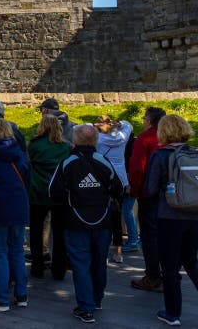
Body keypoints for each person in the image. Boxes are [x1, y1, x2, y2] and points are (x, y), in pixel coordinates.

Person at [146, 115, 198, 326]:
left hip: (170, 216)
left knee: (169, 266)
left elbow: (150, 188)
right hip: (197, 214)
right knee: (191, 260)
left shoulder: (161, 155)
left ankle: (173, 313)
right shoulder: (197, 153)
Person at [48, 123, 123, 324]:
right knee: (99, 262)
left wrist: (68, 200)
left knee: (81, 263)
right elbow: (118, 187)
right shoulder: (103, 161)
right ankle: (96, 300)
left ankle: (85, 306)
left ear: (75, 140)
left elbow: (53, 191)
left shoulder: (67, 162)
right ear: (95, 140)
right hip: (102, 219)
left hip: (75, 219)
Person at [0, 118, 30, 311]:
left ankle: (2, 298)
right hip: (19, 206)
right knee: (17, 251)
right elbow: (28, 179)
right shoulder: (19, 154)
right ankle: (21, 295)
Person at [27, 114, 70, 280]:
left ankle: (37, 265)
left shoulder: (35, 144)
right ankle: (59, 268)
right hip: (58, 192)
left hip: (38, 191)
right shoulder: (64, 147)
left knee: (36, 231)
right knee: (59, 232)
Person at [128, 106, 166, 292]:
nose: (143, 121)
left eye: (144, 118)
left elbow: (137, 168)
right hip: (172, 196)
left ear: (149, 121)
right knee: (168, 236)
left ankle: (153, 275)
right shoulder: (171, 137)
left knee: (150, 237)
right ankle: (169, 273)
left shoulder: (145, 138)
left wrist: (135, 190)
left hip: (149, 194)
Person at [94, 115, 134, 264]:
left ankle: (101, 251)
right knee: (117, 216)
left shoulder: (98, 138)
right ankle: (118, 250)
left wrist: (93, 124)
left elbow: (77, 128)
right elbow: (128, 124)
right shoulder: (122, 136)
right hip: (120, 180)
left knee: (101, 216)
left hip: (102, 178)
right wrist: (118, 123)